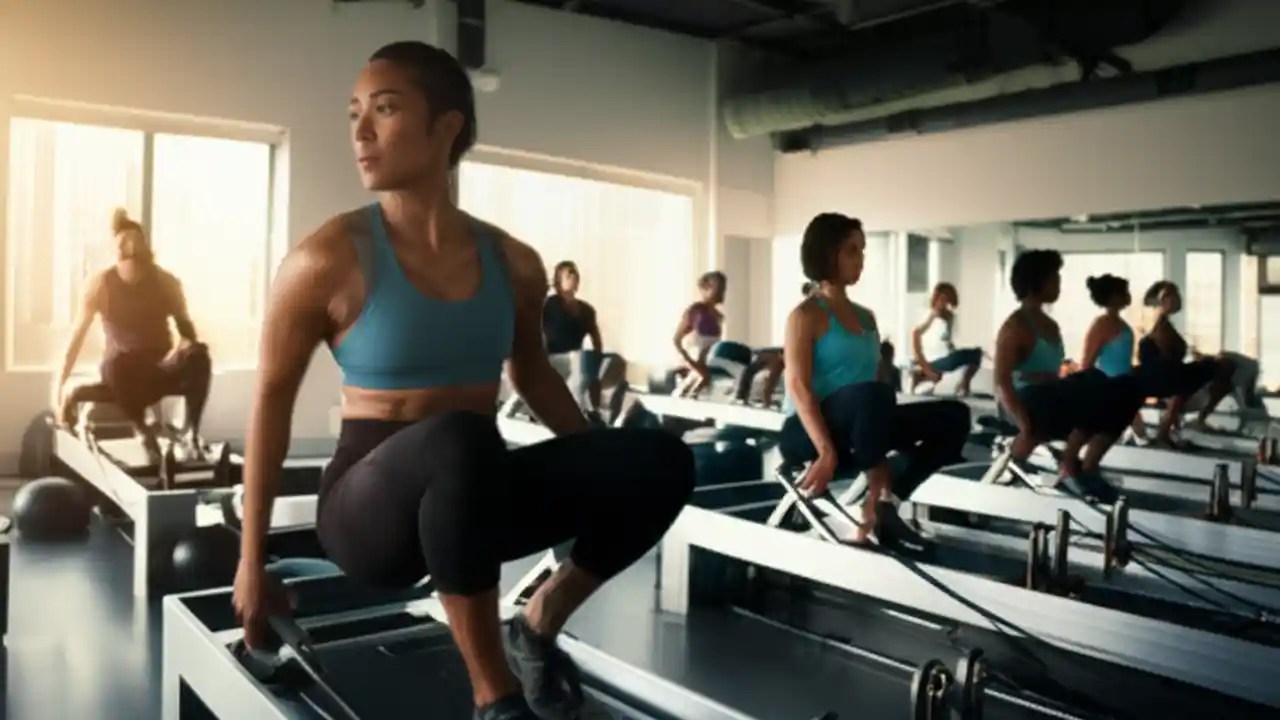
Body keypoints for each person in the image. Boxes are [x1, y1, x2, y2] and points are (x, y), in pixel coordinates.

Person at [232, 41, 694, 720]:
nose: (361, 132)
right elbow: (271, 401)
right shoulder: (324, 258)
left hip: (476, 494)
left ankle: (537, 623)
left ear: (446, 126)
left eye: (385, 110)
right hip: (370, 515)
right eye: (355, 113)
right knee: (458, 439)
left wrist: (598, 466)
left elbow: (532, 375)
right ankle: (494, 697)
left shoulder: (513, 262)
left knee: (661, 459)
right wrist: (251, 562)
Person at [779, 213, 970, 544]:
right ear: (827, 254)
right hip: (807, 431)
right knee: (871, 394)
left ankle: (887, 503)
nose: (861, 259)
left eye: (862, 250)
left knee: (954, 415)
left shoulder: (867, 318)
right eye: (851, 250)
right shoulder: (805, 315)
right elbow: (798, 386)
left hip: (863, 425)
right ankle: (876, 493)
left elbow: (879, 382)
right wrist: (826, 452)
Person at [51, 208, 212, 463]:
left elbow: (188, 336)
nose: (132, 252)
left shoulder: (166, 282)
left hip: (159, 370)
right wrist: (59, 390)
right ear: (117, 253)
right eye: (125, 246)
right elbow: (76, 340)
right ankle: (142, 429)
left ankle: (191, 434)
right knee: (116, 363)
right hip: (122, 374)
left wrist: (189, 352)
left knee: (200, 354)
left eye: (137, 245)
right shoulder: (100, 285)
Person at [993, 250, 1142, 495]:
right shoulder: (1016, 326)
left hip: (1049, 397)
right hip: (1025, 402)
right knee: (1094, 382)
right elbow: (1001, 380)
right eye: (1054, 278)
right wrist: (1024, 424)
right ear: (1036, 282)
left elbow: (1051, 373)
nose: (1059, 283)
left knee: (1124, 393)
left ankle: (1085, 464)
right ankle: (1069, 464)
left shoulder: (1050, 325)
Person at [1136, 280, 1235, 447]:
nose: (1176, 298)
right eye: (1170, 295)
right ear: (1161, 299)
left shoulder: (1163, 323)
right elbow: (1163, 357)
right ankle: (1170, 430)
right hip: (1164, 375)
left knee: (1223, 368)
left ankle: (1190, 421)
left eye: (1176, 294)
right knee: (1223, 365)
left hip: (1169, 373)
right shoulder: (1157, 323)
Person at [541, 260, 622, 415]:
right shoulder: (549, 305)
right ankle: (572, 410)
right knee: (580, 361)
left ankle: (600, 409)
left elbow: (596, 339)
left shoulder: (587, 310)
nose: (573, 276)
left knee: (615, 361)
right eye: (568, 274)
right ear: (558, 281)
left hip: (578, 360)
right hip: (553, 359)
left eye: (575, 273)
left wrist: (598, 363)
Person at [1079, 274, 1146, 440]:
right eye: (1125, 292)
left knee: (1132, 423)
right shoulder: (1102, 324)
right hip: (1110, 386)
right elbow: (1087, 363)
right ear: (1114, 297)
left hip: (1125, 384)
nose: (1128, 296)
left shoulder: (1120, 323)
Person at [910, 282, 983, 396]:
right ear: (936, 299)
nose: (945, 304)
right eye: (942, 300)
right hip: (933, 359)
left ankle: (964, 384)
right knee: (969, 356)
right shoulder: (932, 315)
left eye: (947, 301)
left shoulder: (949, 317)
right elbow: (916, 334)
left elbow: (946, 340)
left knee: (976, 354)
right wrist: (924, 365)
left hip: (945, 356)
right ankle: (921, 375)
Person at [671, 270, 726, 397]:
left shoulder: (719, 316)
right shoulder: (695, 311)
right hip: (693, 365)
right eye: (717, 287)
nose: (721, 291)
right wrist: (692, 364)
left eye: (723, 288)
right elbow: (676, 340)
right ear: (704, 288)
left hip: (709, 363)